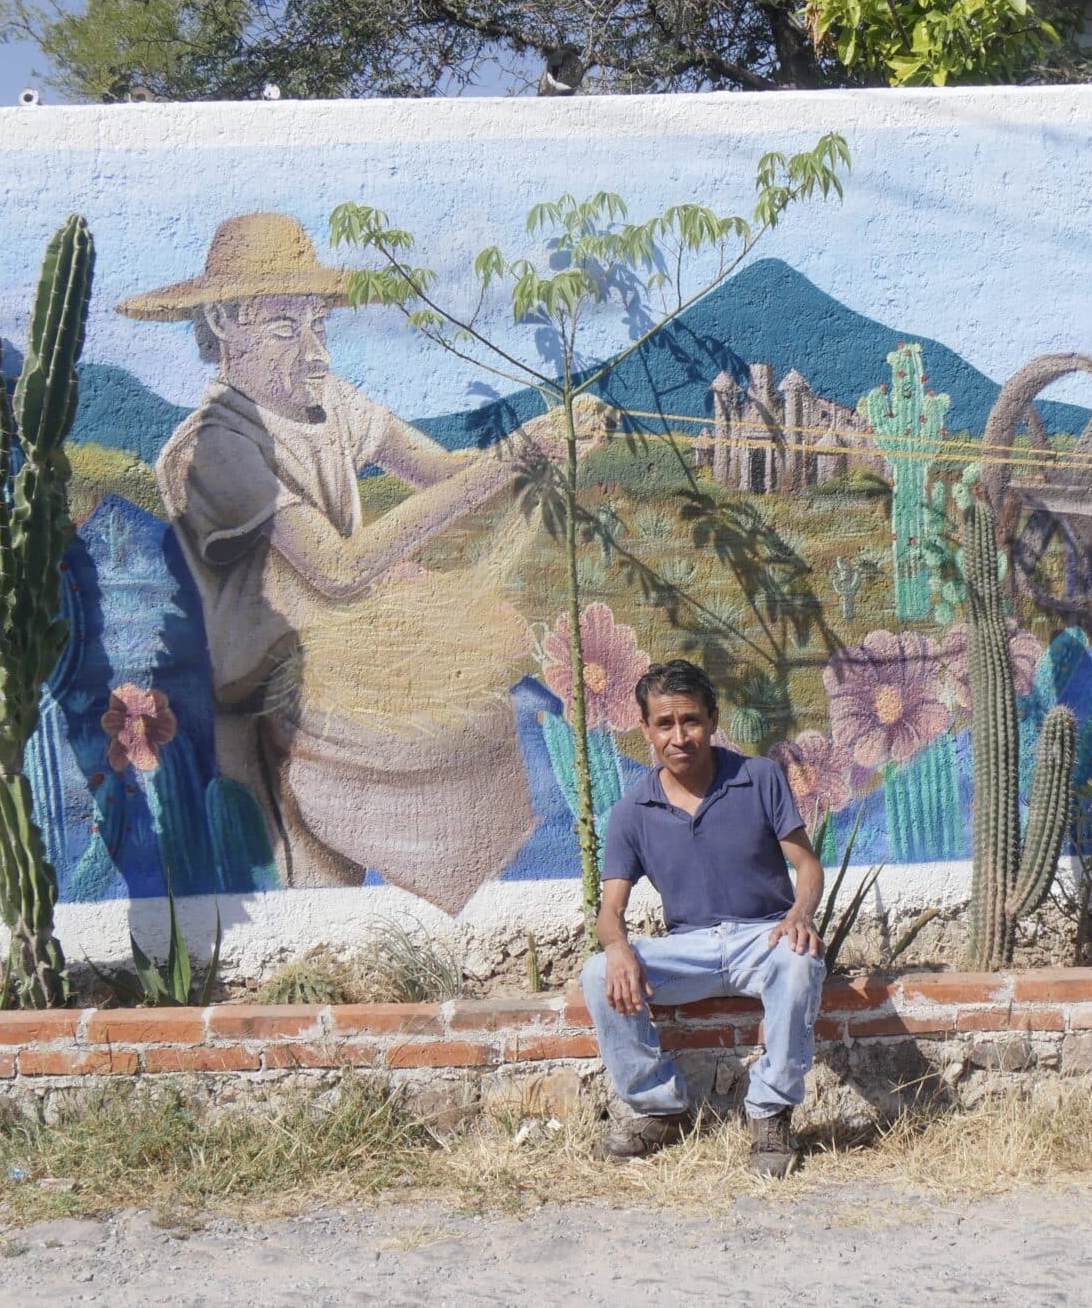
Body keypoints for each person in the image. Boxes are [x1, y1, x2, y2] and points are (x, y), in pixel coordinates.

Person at [119, 211, 595, 908]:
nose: (315, 353)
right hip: (266, 710)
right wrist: (510, 460)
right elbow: (338, 569)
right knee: (309, 888)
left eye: (319, 325)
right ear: (223, 324)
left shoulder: (330, 403)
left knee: (438, 789)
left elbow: (440, 473)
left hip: (344, 687)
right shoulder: (211, 449)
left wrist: (537, 445)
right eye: (284, 328)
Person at [580, 659, 828, 1178]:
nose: (679, 737)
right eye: (664, 724)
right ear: (645, 729)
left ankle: (770, 1114)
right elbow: (610, 911)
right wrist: (618, 948)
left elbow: (807, 866)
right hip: (688, 950)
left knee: (800, 962)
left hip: (763, 939)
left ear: (713, 720)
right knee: (599, 972)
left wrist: (801, 914)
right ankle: (660, 1110)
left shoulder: (758, 778)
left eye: (690, 720)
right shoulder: (632, 812)